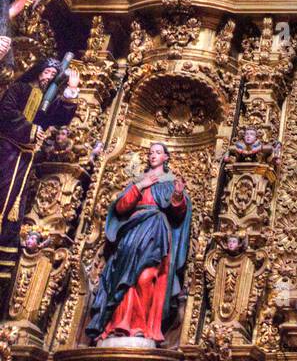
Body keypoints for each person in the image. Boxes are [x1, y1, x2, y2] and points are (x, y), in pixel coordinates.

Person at [86, 141, 190, 345]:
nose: (153, 155)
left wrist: (178, 195)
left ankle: (143, 326)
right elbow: (122, 207)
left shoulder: (169, 182)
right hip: (132, 232)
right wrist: (140, 186)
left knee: (146, 277)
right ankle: (119, 325)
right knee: (124, 278)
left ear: (166, 157)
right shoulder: (139, 180)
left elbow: (178, 212)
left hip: (155, 230)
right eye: (151, 152)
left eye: (158, 152)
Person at [0, 57, 80, 289]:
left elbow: (57, 116)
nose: (49, 77)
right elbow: (6, 113)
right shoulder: (20, 88)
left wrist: (71, 91)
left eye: (53, 74)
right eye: (46, 72)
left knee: (15, 201)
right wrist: (32, 131)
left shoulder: (47, 98)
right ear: (38, 72)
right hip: (6, 149)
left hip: (24, 158)